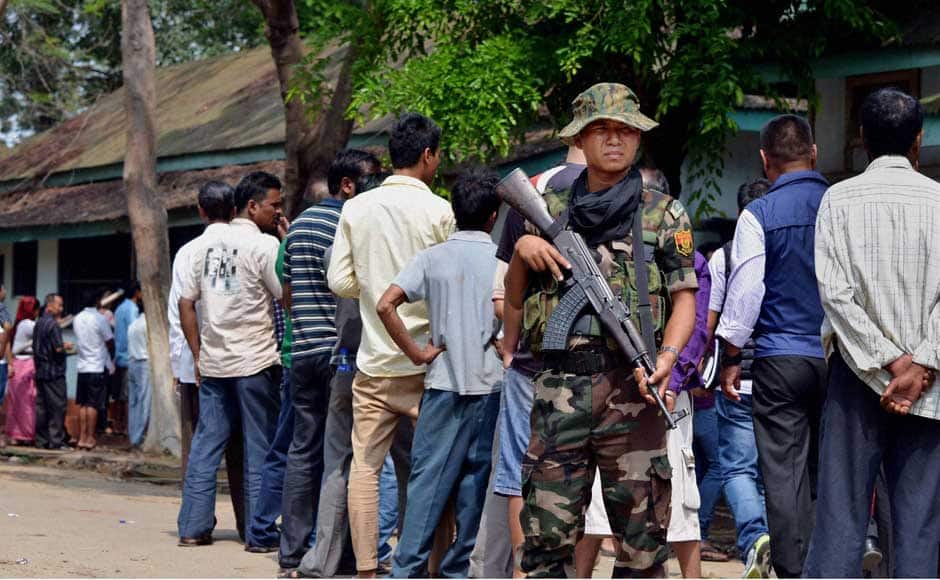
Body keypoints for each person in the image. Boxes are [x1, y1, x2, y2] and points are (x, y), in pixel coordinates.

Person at [504, 82, 698, 577]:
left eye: (625, 131)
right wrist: (523, 254)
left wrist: (667, 360)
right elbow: (514, 290)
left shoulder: (664, 212)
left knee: (642, 546)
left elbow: (684, 300)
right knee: (547, 541)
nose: (615, 140)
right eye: (602, 130)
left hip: (633, 393)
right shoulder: (548, 204)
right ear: (581, 139)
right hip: (558, 395)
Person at [804, 87, 940, 577]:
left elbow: (835, 295)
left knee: (841, 514)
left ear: (861, 138)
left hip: (856, 378)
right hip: (930, 385)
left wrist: (890, 363)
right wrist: (921, 363)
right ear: (918, 141)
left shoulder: (837, 200)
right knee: (919, 521)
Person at [328, 113, 455, 578]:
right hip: (430, 365)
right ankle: (435, 566)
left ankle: (366, 569)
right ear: (427, 155)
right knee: (434, 469)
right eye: (437, 155)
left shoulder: (356, 208)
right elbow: (448, 281)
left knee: (365, 467)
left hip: (375, 364)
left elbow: (340, 280)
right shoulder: (440, 211)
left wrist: (374, 281)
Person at [716, 114, 828, 578]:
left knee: (782, 471)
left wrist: (731, 355)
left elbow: (746, 294)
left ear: (765, 161)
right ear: (814, 153)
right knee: (832, 467)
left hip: (780, 358)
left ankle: (790, 567)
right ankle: (836, 558)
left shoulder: (757, 215)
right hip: (841, 355)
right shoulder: (837, 205)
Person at [376, 167, 503, 577]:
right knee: (474, 486)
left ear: (453, 212)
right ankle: (456, 570)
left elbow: (385, 304)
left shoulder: (431, 257)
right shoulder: (505, 261)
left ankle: (406, 569)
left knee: (427, 483)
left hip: (443, 382)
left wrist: (416, 352)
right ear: (493, 216)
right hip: (490, 384)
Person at [295, 170, 414, 579]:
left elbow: (337, 282)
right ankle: (403, 560)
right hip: (404, 363)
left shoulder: (347, 240)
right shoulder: (409, 247)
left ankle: (325, 561)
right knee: (409, 468)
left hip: (351, 361)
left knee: (345, 466)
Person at [272, 149, 381, 567]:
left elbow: (287, 293)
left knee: (302, 449)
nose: (375, 187)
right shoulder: (351, 223)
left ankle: (293, 550)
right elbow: (349, 292)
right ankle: (346, 554)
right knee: (347, 454)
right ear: (347, 185)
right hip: (341, 354)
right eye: (369, 179)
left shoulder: (297, 226)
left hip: (301, 351)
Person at [176, 171, 283, 546]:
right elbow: (285, 297)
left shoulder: (199, 248)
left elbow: (185, 303)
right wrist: (286, 241)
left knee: (206, 446)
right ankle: (258, 533)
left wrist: (197, 354)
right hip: (255, 360)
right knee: (259, 448)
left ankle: (192, 528)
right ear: (252, 206)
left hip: (215, 362)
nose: (279, 211)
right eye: (274, 205)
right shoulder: (265, 247)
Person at [168, 180, 246, 540]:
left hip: (197, 362)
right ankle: (252, 525)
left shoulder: (188, 252)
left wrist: (187, 360)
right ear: (235, 211)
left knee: (200, 446)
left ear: (200, 211)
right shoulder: (246, 246)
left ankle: (194, 524)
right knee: (242, 447)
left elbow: (178, 312)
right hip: (242, 359)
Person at [706, 178, 772, 578]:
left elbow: (711, 321)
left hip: (737, 381)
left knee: (737, 469)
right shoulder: (792, 248)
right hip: (782, 376)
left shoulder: (723, 258)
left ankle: (754, 539)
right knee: (772, 469)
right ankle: (774, 544)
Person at [73, 288, 115, 451]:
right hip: (96, 365)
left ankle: (82, 437)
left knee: (83, 404)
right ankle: (90, 437)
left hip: (82, 365)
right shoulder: (100, 319)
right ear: (97, 301)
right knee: (93, 404)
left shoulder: (77, 318)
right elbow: (110, 341)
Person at [32, 294, 72, 450]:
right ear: (50, 306)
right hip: (54, 372)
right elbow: (57, 349)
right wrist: (66, 346)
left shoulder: (39, 323)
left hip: (40, 371)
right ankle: (56, 442)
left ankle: (41, 441)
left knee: (42, 408)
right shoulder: (53, 325)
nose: (61, 309)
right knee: (58, 407)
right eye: (59, 305)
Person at [5, 296, 40, 444]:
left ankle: (16, 434)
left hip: (18, 364)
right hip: (26, 363)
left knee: (18, 402)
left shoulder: (20, 324)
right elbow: (43, 332)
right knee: (28, 402)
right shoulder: (28, 324)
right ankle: (27, 434)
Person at [111, 281, 141, 436]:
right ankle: (129, 427)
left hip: (119, 355)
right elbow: (133, 332)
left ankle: (118, 425)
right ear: (137, 292)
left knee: (120, 396)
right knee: (129, 396)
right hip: (130, 356)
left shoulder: (120, 308)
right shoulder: (132, 309)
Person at [126, 302, 149, 447]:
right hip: (144, 363)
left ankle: (133, 435)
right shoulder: (148, 324)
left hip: (132, 362)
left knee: (134, 403)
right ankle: (139, 437)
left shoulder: (133, 324)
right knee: (144, 401)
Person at [0, 284, 13, 409]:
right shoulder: (1, 308)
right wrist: (10, 363)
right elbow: (7, 331)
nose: (5, 293)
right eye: (4, 290)